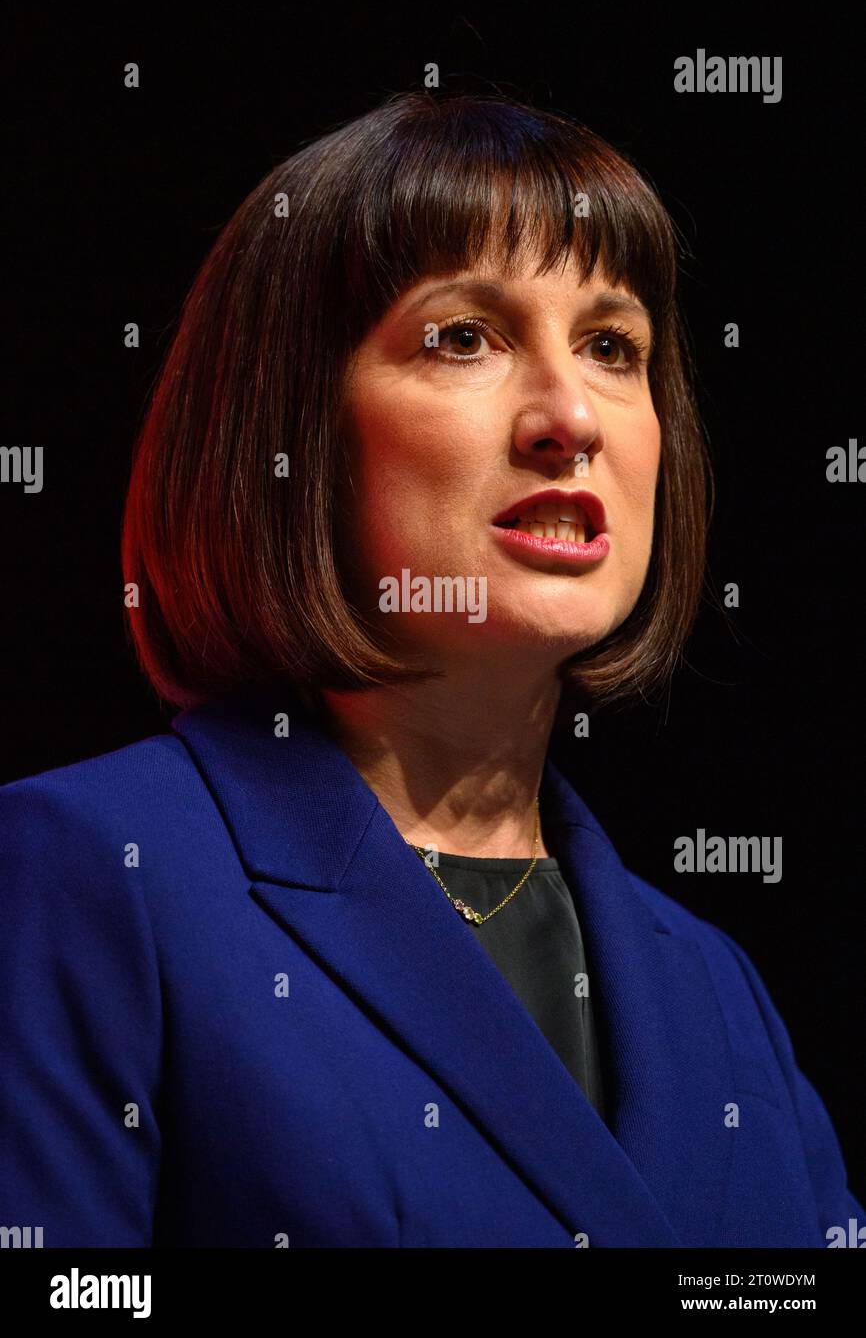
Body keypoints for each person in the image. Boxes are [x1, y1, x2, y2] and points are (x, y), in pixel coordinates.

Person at [1, 90, 860, 1248]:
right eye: (462, 336)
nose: (569, 415)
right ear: (284, 433)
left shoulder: (717, 990)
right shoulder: (86, 872)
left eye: (612, 346)